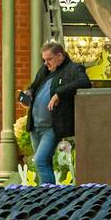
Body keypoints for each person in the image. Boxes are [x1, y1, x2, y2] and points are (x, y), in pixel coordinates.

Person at [20, 41, 91, 184]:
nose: (46, 63)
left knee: (41, 160)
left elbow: (84, 82)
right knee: (42, 163)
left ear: (60, 56)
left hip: (52, 127)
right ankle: (46, 193)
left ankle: (48, 196)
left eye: (49, 59)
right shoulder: (44, 70)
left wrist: (59, 93)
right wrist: (28, 93)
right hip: (36, 126)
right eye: (44, 60)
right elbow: (33, 87)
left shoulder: (73, 69)